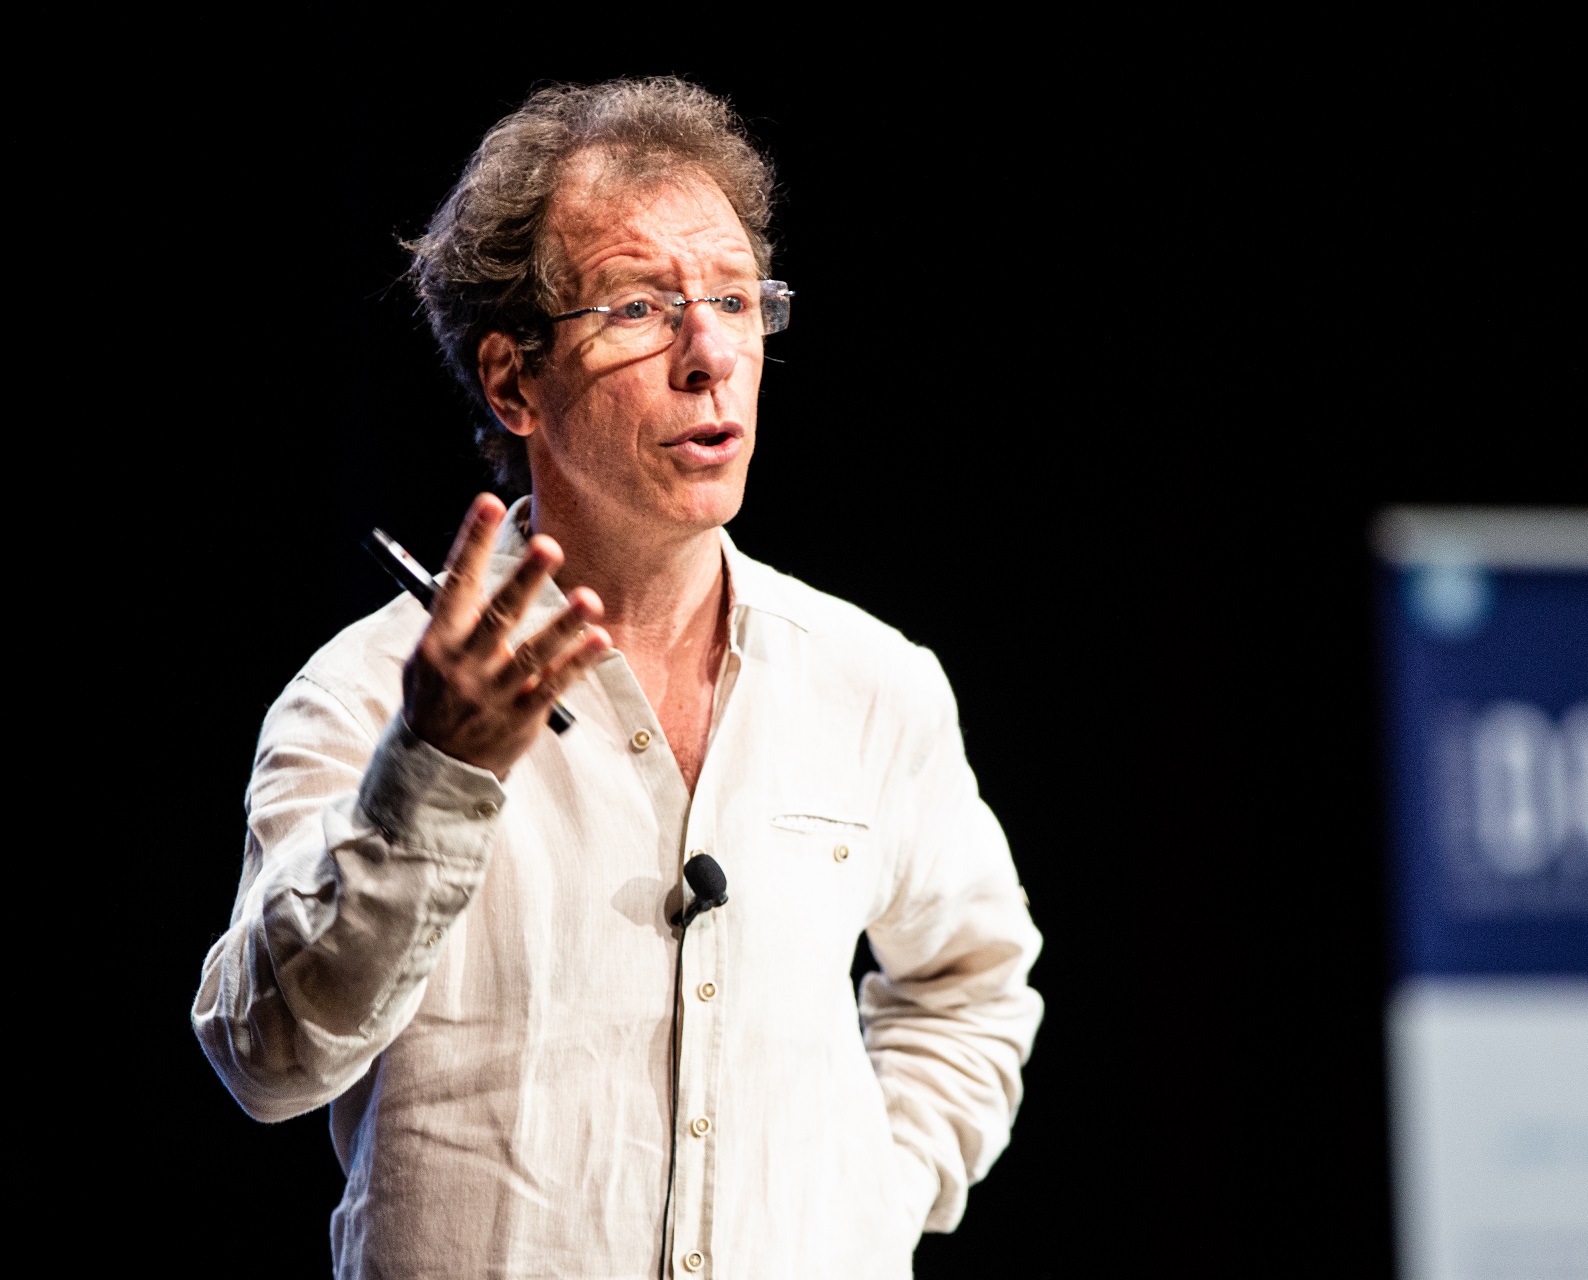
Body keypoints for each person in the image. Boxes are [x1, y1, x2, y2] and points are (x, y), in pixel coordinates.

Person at [192, 77, 1042, 1280]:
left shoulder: (872, 684)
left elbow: (973, 984)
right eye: (642, 307)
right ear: (513, 380)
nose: (711, 356)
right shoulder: (366, 691)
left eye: (738, 301)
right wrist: (432, 770)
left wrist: (866, 1205)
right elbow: (268, 1058)